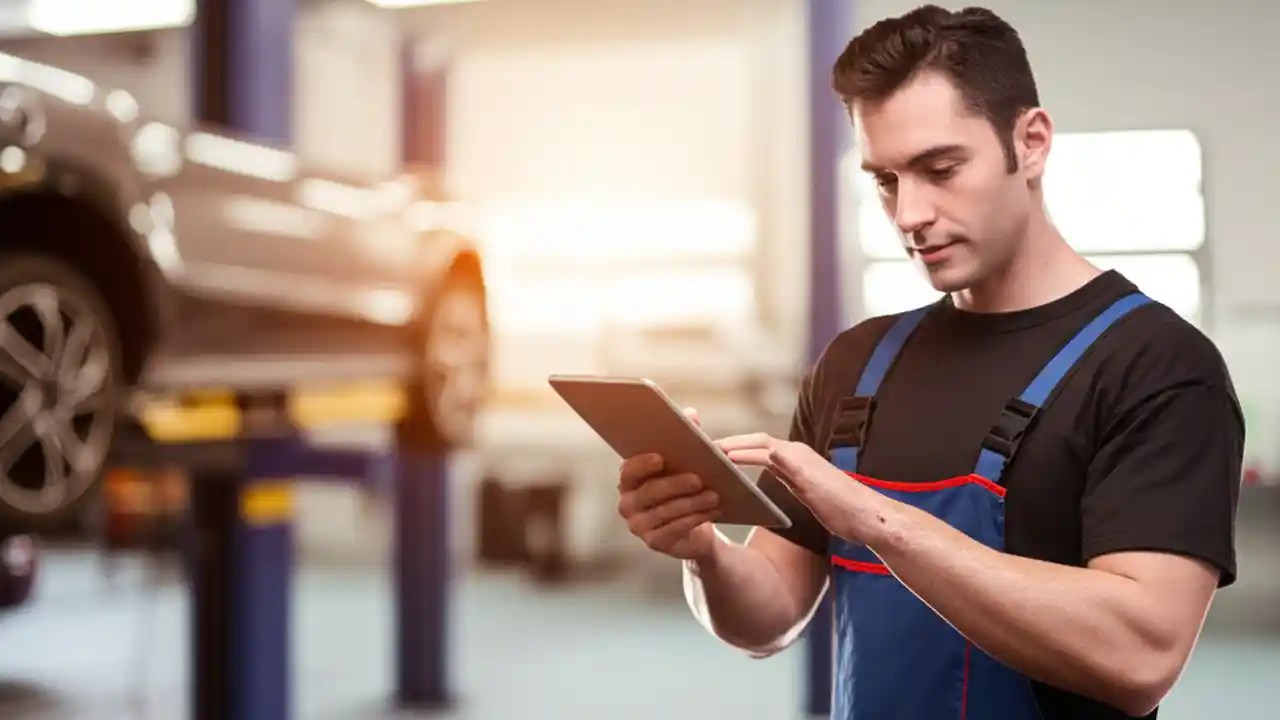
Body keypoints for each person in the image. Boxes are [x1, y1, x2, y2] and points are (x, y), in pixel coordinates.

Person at [614, 5, 1244, 719]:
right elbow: (771, 617)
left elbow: (1140, 657)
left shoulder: (1156, 366)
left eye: (940, 169)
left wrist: (880, 523)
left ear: (1031, 143)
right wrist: (703, 550)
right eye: (885, 180)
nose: (909, 213)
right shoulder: (856, 364)